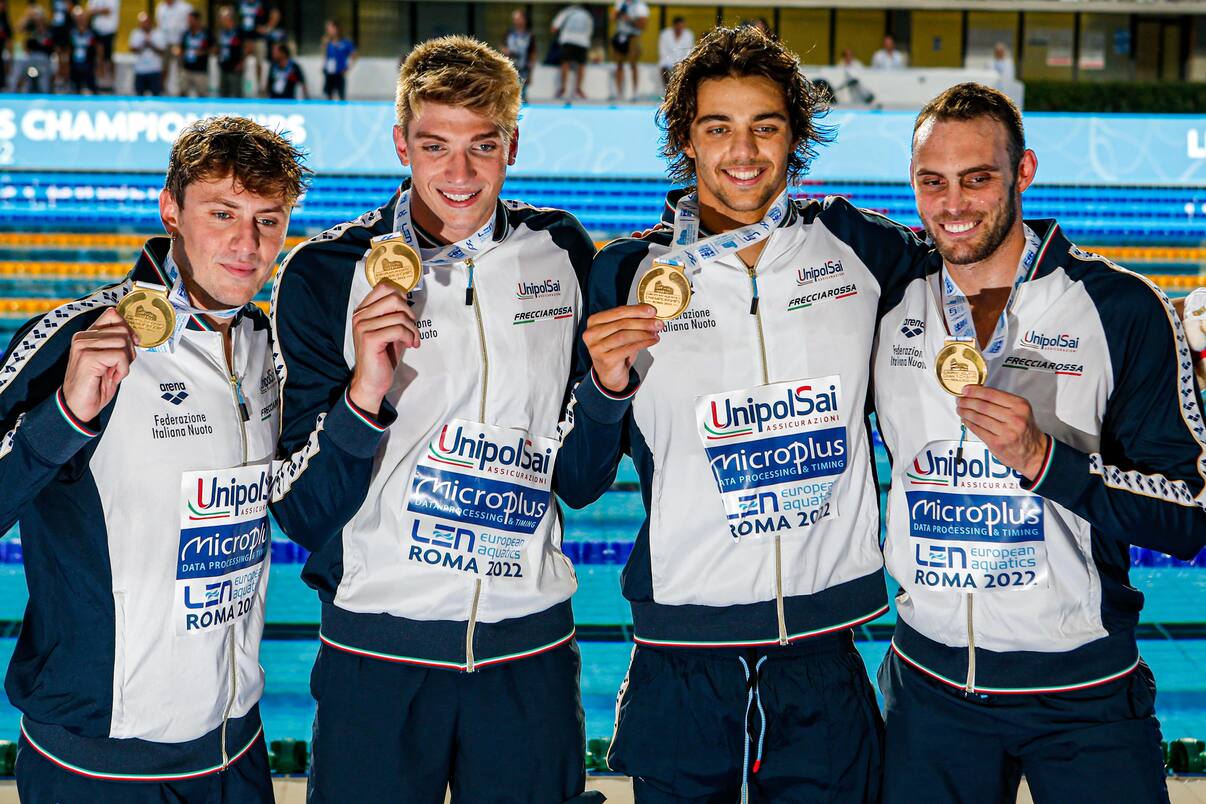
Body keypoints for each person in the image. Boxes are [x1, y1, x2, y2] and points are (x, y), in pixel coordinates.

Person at [557, 25, 929, 802]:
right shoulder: (627, 272)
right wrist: (604, 390)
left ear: (795, 138)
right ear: (686, 141)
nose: (744, 150)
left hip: (825, 655)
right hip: (682, 656)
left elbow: (975, 285)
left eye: (766, 126)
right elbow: (580, 482)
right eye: (718, 127)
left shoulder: (860, 247)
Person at [270, 35, 599, 803]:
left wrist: (611, 395)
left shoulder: (563, 253)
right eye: (435, 145)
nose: (459, 173)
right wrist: (364, 396)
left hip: (531, 651)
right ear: (400, 144)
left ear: (511, 144)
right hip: (377, 654)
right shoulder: (325, 275)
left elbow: (583, 479)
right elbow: (299, 510)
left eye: (482, 146)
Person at [873, 82, 1206, 804]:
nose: (953, 204)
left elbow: (1190, 512)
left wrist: (1045, 462)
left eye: (978, 179)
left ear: (1023, 172)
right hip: (929, 693)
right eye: (933, 182)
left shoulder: (1121, 308)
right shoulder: (888, 302)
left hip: (1084, 695)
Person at [0, 114, 306, 804]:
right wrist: (65, 417)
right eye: (222, 212)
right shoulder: (75, 339)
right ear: (170, 207)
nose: (246, 243)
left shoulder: (265, 343)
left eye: (268, 219)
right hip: (98, 764)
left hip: (237, 752)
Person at [551, 2, 591, 100]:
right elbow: (590, 31)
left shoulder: (566, 12)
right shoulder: (587, 15)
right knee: (581, 65)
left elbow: (554, 28)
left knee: (565, 63)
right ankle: (578, 89)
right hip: (583, 42)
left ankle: (563, 89)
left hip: (567, 40)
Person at [609, 0, 647, 101]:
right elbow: (612, 18)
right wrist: (617, 13)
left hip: (633, 37)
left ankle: (634, 93)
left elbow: (643, 25)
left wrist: (629, 19)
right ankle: (618, 93)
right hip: (620, 36)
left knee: (633, 64)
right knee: (619, 64)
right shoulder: (620, 3)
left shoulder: (640, 6)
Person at [154, 0, 192, 92]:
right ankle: (162, 90)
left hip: (180, 42)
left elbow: (189, 24)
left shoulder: (185, 7)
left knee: (181, 68)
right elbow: (159, 24)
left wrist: (184, 43)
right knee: (164, 67)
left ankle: (182, 91)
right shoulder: (160, 7)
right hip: (166, 43)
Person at [129, 11, 166, 96]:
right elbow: (132, 49)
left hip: (154, 69)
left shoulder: (158, 33)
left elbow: (162, 51)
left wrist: (151, 45)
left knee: (156, 95)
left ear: (150, 22)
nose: (144, 24)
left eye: (146, 22)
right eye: (142, 23)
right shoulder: (135, 33)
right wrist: (143, 45)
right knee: (139, 95)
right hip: (140, 70)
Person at [502, 9, 535, 102]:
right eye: (514, 19)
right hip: (510, 66)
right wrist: (506, 51)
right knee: (510, 91)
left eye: (518, 18)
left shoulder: (529, 34)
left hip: (523, 68)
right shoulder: (509, 32)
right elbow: (503, 46)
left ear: (524, 20)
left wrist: (531, 71)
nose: (516, 21)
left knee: (520, 92)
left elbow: (532, 52)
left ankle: (521, 110)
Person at [177, 10, 212, 97]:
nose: (189, 22)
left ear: (197, 20)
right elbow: (181, 48)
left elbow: (214, 48)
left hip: (200, 70)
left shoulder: (206, 33)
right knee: (182, 93)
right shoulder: (186, 33)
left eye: (191, 20)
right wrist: (180, 53)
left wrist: (202, 52)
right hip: (186, 69)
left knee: (202, 95)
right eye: (188, 20)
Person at [319, 19, 355, 101]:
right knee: (328, 94)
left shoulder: (345, 42)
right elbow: (324, 56)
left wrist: (347, 68)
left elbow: (354, 56)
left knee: (341, 95)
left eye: (330, 28)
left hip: (339, 72)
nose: (328, 31)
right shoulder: (327, 42)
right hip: (329, 71)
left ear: (336, 29)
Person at [85, 0, 117, 88]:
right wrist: (98, 11)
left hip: (108, 31)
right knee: (97, 56)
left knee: (108, 57)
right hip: (95, 30)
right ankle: (98, 79)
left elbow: (108, 11)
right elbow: (88, 11)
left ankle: (110, 80)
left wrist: (94, 11)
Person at [66, 5, 97, 93]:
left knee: (92, 88)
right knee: (75, 88)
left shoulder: (92, 31)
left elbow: (98, 48)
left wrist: (99, 65)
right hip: (74, 64)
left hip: (88, 64)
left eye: (82, 18)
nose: (81, 20)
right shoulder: (71, 31)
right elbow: (68, 48)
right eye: (78, 18)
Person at [656, 15, 692, 88]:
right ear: (674, 26)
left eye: (682, 26)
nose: (680, 28)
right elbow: (662, 52)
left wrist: (680, 63)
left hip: (682, 62)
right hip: (668, 61)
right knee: (663, 66)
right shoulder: (664, 34)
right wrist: (673, 63)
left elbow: (689, 51)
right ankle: (667, 90)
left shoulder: (689, 34)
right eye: (678, 26)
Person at [215, 5, 243, 97]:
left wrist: (241, 62)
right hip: (224, 65)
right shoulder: (221, 32)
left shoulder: (238, 31)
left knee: (235, 92)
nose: (221, 20)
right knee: (223, 92)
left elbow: (245, 47)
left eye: (223, 18)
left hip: (235, 66)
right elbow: (219, 47)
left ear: (229, 18)